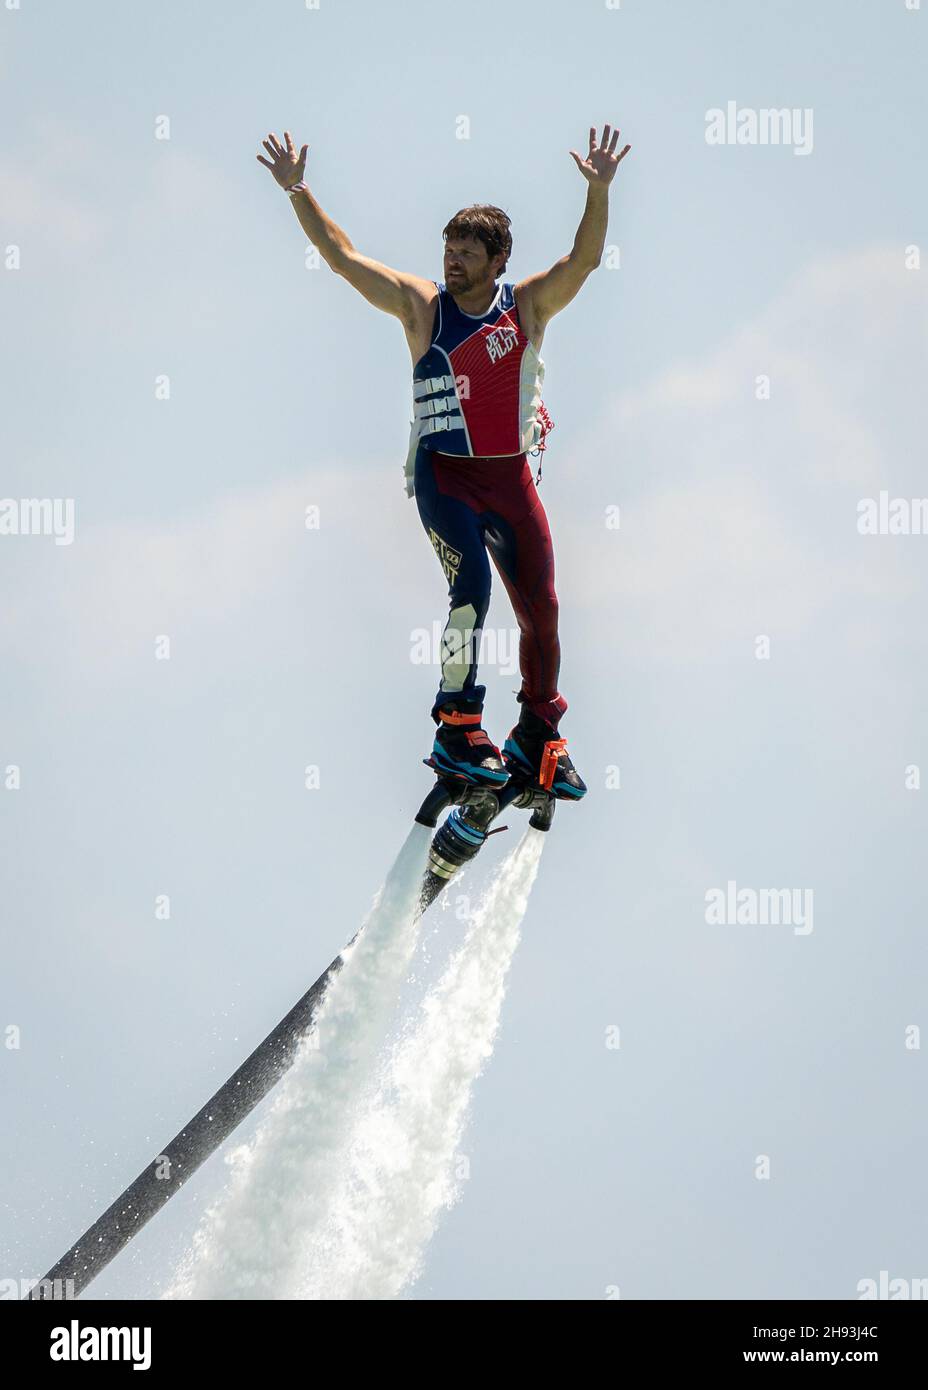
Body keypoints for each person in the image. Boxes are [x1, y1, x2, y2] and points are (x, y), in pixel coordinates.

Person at [258, 125, 631, 798]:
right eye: (448, 251)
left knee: (542, 610)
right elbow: (342, 258)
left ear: (497, 259)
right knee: (471, 598)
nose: (452, 262)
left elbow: (585, 260)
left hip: (510, 481)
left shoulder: (528, 306)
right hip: (446, 479)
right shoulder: (420, 307)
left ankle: (538, 733)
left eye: (466, 253)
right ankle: (457, 725)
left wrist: (598, 192)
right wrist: (297, 191)